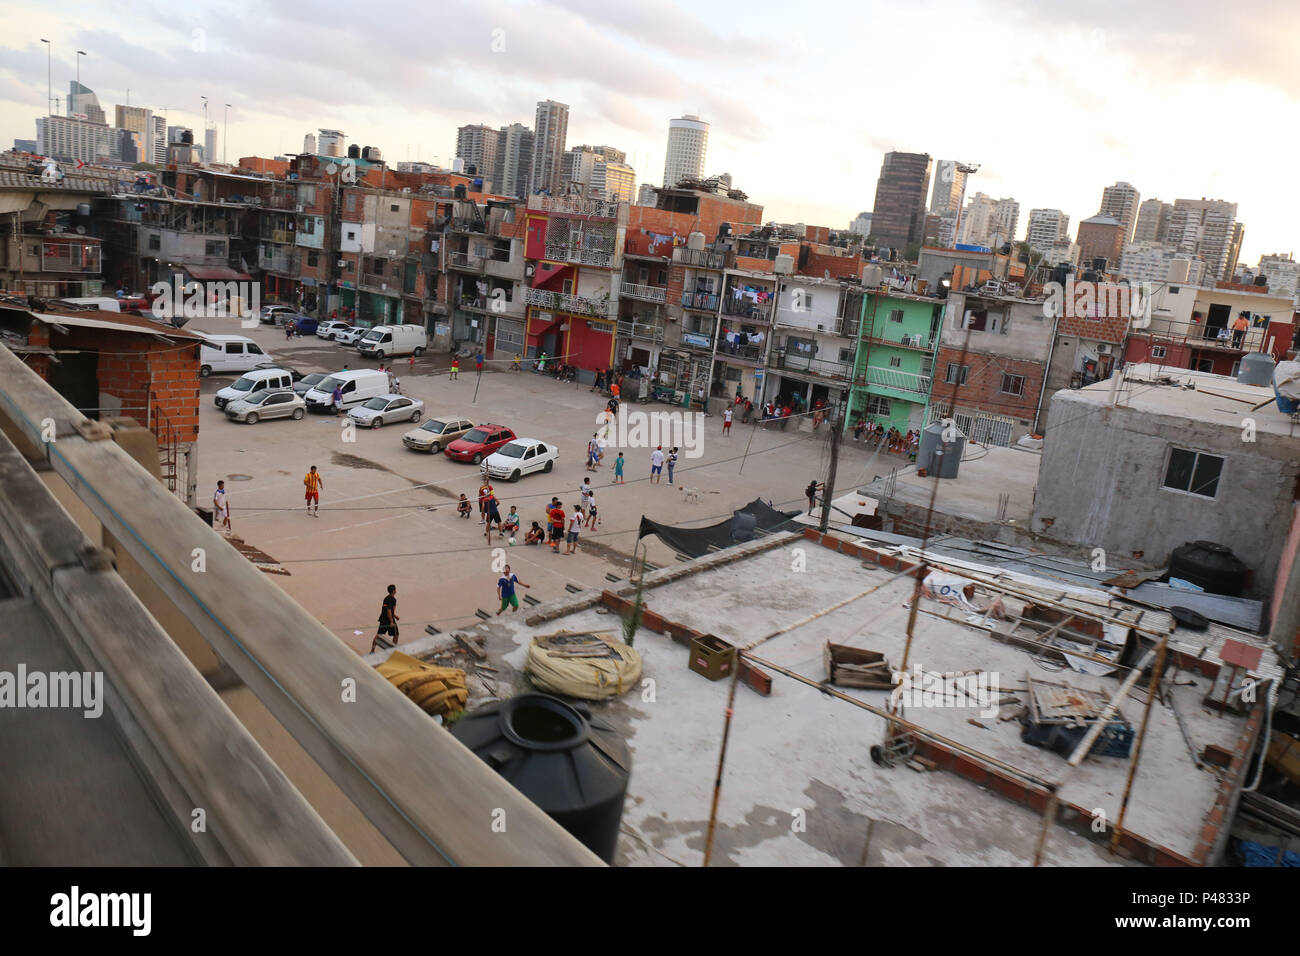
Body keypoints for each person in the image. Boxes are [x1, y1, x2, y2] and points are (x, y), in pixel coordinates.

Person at [372, 584, 399, 651]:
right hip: (389, 620)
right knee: (396, 635)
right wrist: (391, 621)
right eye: (395, 589)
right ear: (393, 591)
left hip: (383, 619)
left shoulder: (386, 598)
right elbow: (389, 610)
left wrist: (395, 616)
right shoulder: (393, 599)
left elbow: (388, 609)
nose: (396, 590)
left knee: (379, 635)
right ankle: (392, 650)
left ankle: (372, 650)